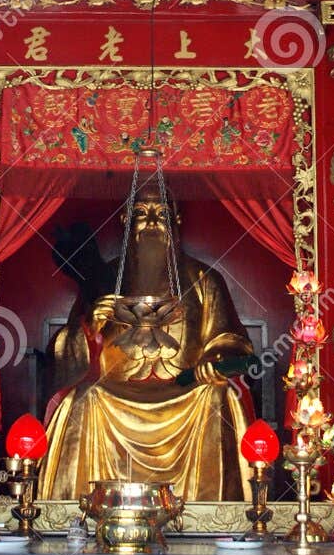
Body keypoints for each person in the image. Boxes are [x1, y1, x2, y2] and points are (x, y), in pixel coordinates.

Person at [41, 193, 253, 503]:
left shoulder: (204, 279)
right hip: (113, 392)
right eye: (141, 214)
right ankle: (84, 504)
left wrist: (214, 359)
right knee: (84, 399)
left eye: (162, 214)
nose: (152, 222)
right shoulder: (104, 279)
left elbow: (230, 340)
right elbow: (64, 348)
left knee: (216, 395)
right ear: (125, 222)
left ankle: (210, 509)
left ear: (176, 220)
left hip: (188, 391)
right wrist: (89, 326)